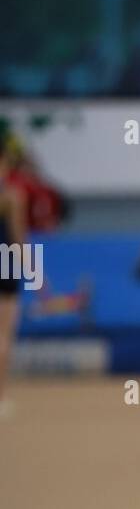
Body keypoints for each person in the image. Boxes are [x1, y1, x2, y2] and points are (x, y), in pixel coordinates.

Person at [0, 123, 28, 417]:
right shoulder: (12, 195)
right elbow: (19, 238)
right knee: (3, 334)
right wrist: (37, 276)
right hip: (5, 260)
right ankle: (0, 396)